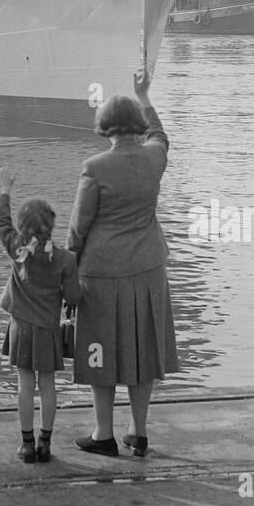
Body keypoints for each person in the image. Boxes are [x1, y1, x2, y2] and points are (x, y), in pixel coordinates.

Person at [66, 68, 178, 458]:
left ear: (105, 127)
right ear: (136, 125)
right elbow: (161, 135)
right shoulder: (154, 158)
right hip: (148, 268)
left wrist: (68, 269)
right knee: (142, 352)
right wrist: (144, 95)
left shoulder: (94, 167)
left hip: (102, 272)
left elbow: (78, 228)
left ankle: (103, 434)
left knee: (101, 351)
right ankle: (139, 431)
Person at [0, 164, 82, 463]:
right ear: (52, 226)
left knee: (24, 385)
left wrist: (6, 189)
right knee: (47, 385)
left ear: (23, 228)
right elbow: (73, 297)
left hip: (20, 328)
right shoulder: (65, 259)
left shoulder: (18, 250)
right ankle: (45, 444)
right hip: (48, 331)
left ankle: (26, 445)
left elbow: (0, 222)